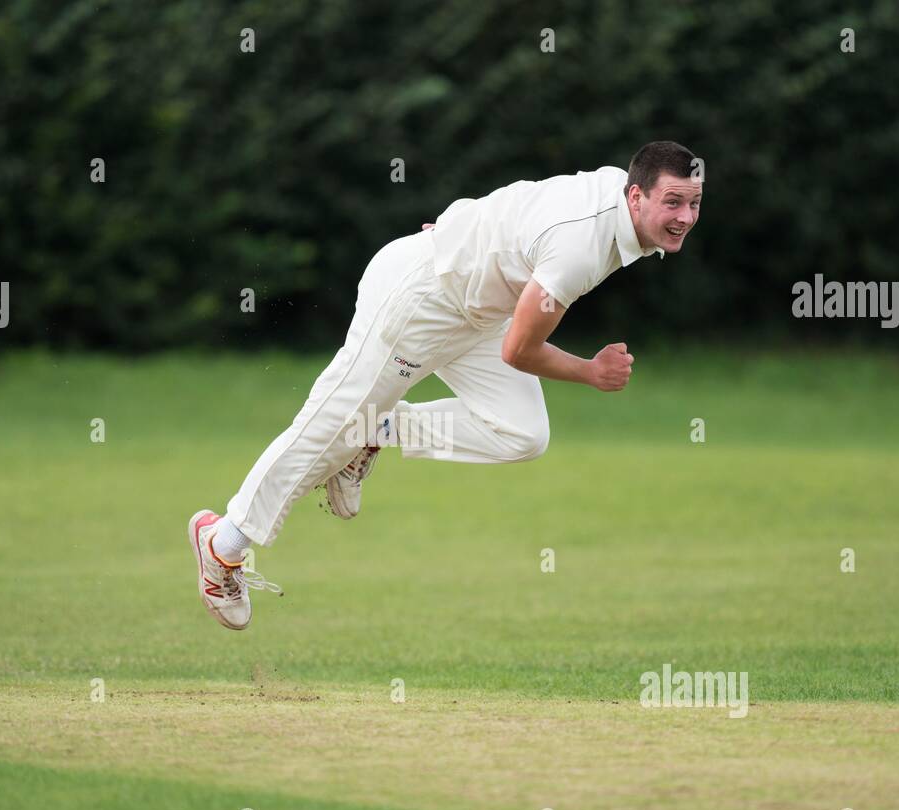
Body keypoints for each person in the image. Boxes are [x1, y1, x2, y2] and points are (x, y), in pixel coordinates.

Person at [189, 141, 702, 629]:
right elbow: (518, 351)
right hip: (423, 297)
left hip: (478, 309)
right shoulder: (580, 249)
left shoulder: (618, 192)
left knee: (520, 432)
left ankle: (380, 430)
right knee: (328, 427)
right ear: (636, 196)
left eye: (694, 202)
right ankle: (222, 544)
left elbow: (525, 202)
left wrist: (469, 229)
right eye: (672, 202)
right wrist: (589, 371)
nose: (684, 216)